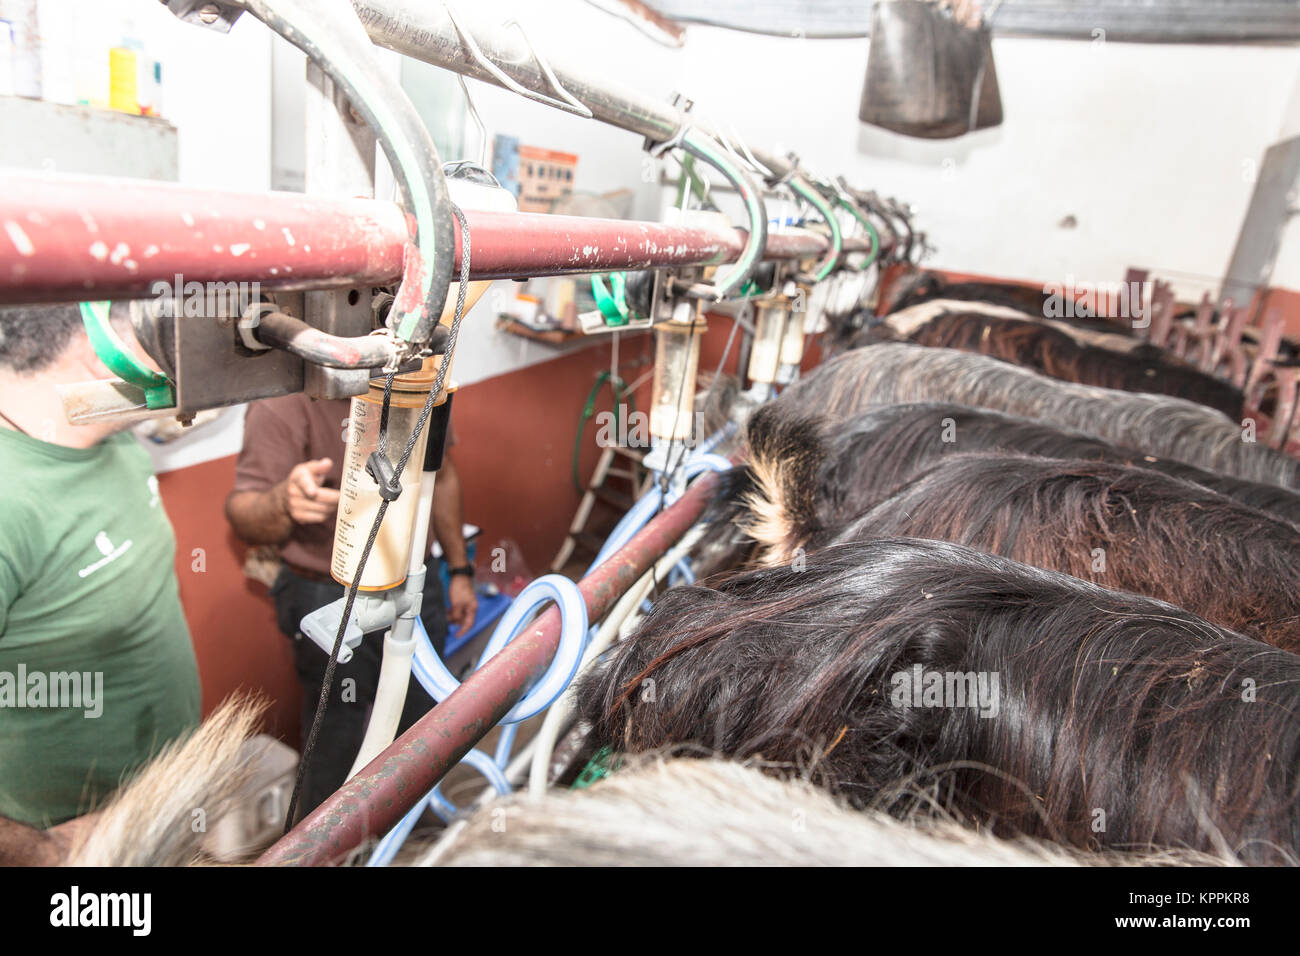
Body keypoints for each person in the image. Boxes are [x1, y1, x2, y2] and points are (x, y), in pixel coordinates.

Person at [0, 302, 200, 863]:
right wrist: (45, 851)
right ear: (98, 349)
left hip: (161, 810)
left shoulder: (113, 440)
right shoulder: (8, 503)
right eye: (156, 321)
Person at [225, 389, 476, 817]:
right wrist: (284, 501)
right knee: (335, 735)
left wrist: (459, 572)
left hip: (415, 577)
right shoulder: (284, 404)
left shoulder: (423, 384)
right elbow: (243, 511)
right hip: (327, 589)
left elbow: (444, 474)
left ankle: (413, 831)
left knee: (420, 721)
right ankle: (326, 847)